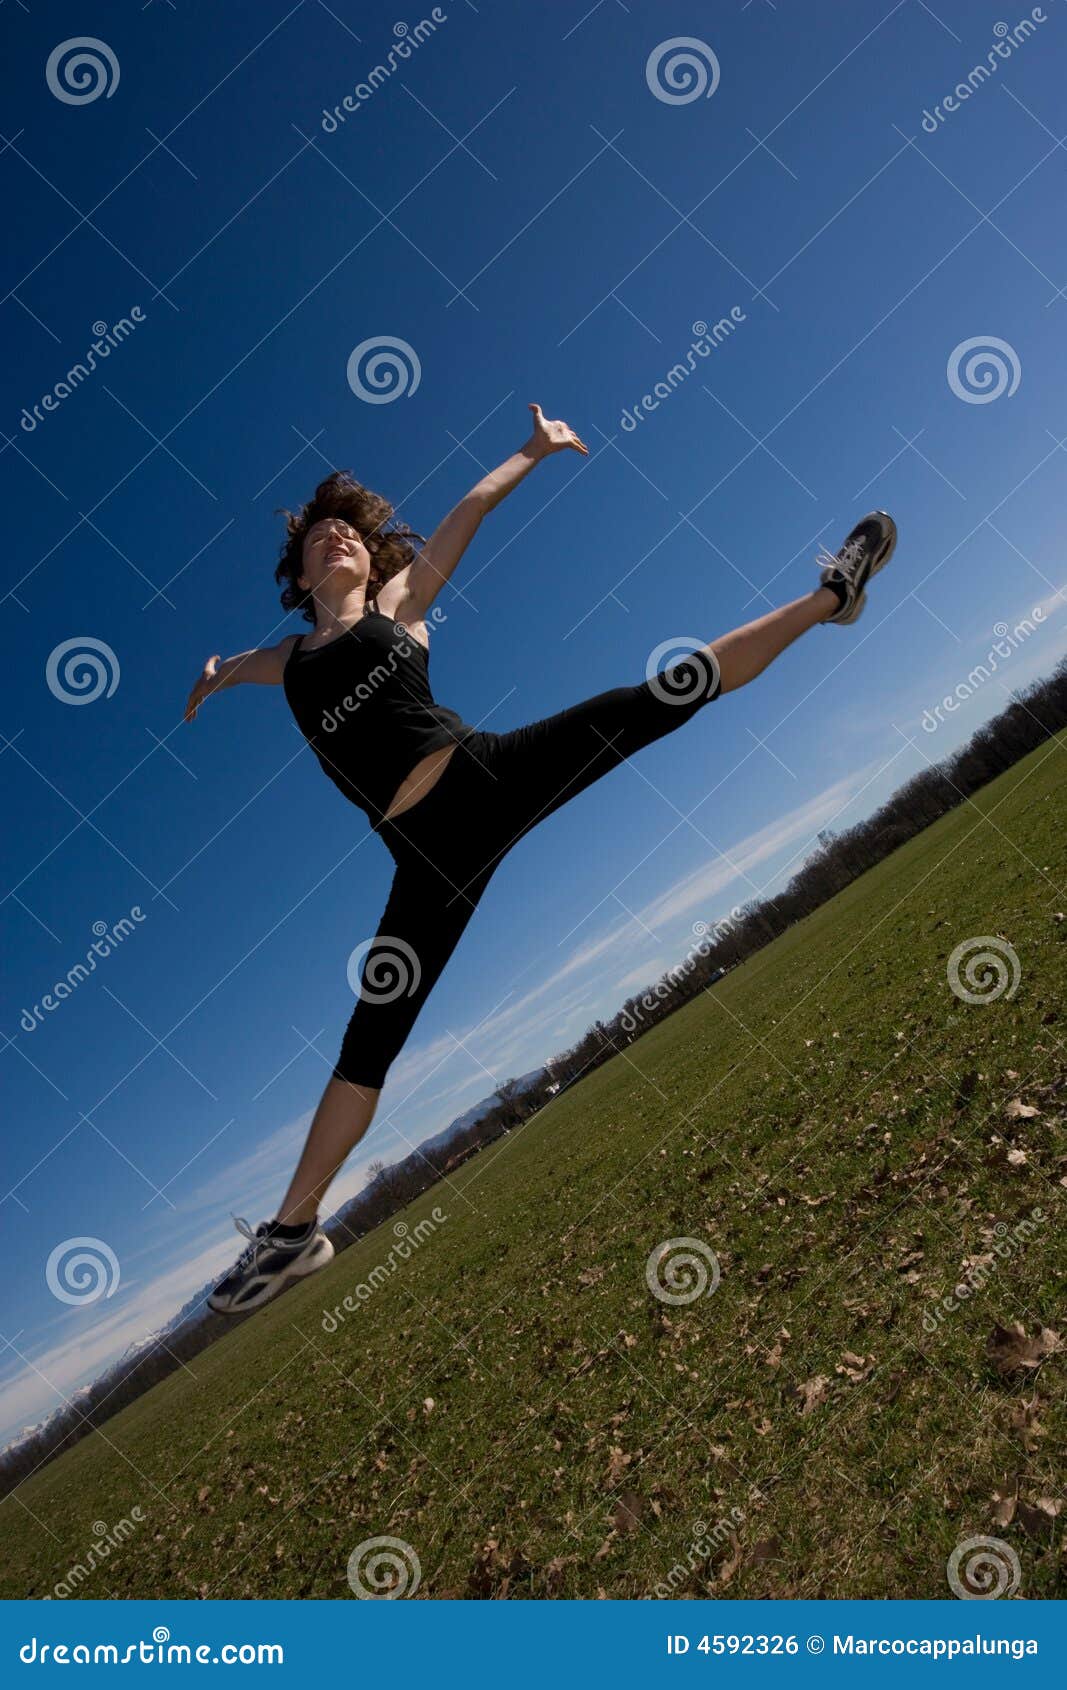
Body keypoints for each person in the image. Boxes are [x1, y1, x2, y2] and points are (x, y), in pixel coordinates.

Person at [185, 403, 897, 1314]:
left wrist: (532, 448)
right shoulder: (287, 658)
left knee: (655, 696)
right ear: (297, 572)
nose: (335, 540)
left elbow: (470, 508)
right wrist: (213, 673)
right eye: (318, 537)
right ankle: (290, 1235)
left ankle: (830, 597)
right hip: (423, 858)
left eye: (347, 533)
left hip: (485, 776)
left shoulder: (402, 606)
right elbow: (243, 663)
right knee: (367, 1042)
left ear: (371, 557)